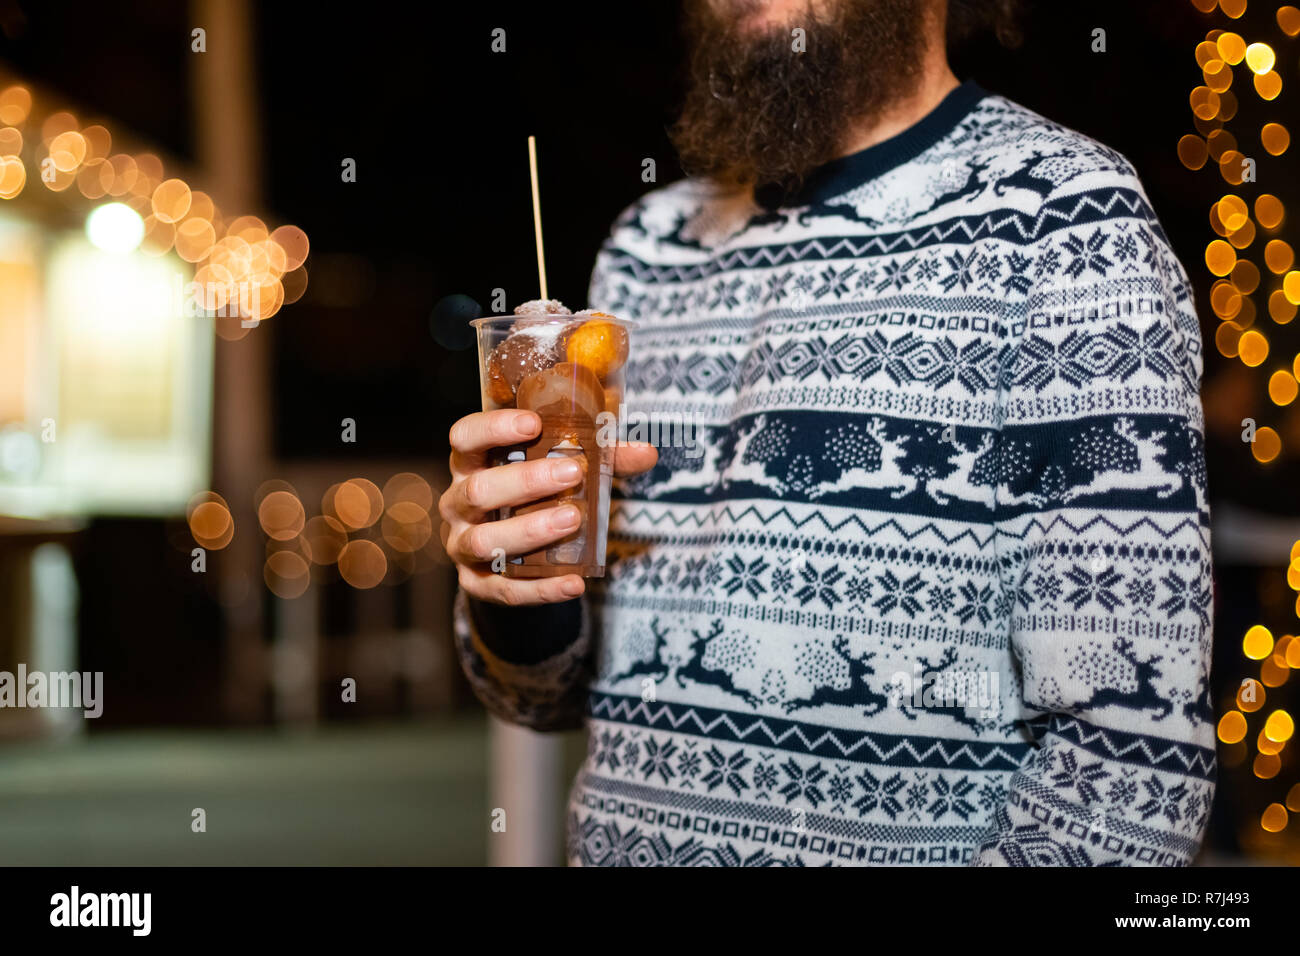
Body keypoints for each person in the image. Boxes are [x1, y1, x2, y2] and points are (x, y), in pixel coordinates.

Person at [439, 0, 1215, 866]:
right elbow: (546, 698)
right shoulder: (645, 248)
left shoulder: (1069, 222)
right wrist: (516, 584)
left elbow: (1129, 786)